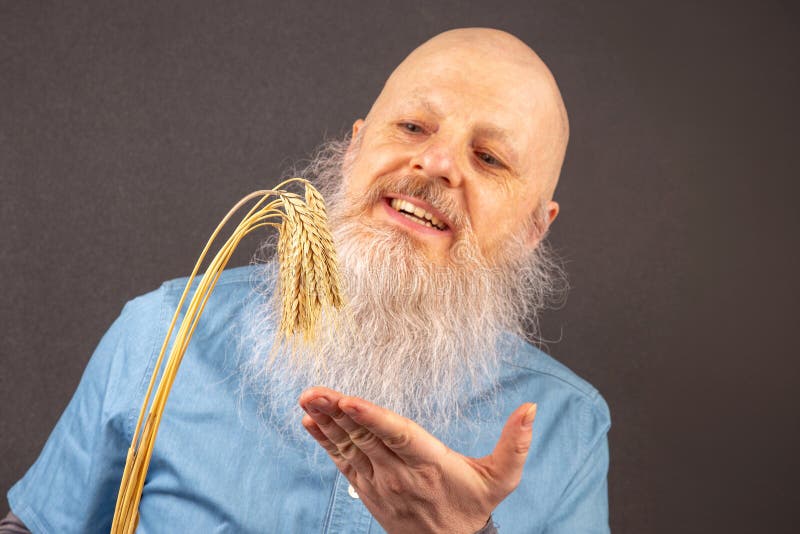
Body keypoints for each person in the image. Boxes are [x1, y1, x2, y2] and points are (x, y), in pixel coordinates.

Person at [3, 27, 611, 533]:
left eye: (489, 158)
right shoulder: (163, 335)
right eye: (412, 127)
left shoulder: (568, 427)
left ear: (536, 228)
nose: (436, 163)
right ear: (354, 149)